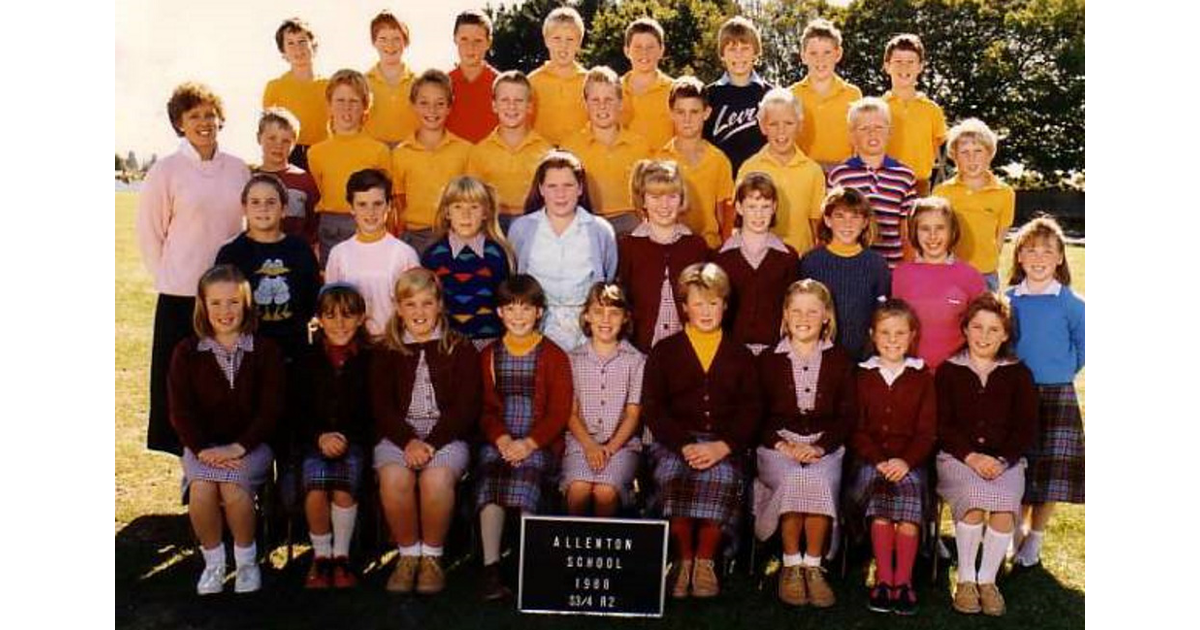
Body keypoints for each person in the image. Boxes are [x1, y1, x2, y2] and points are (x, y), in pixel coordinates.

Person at [138, 81, 251, 455]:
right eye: (194, 116)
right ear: (179, 123)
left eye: (210, 115)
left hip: (228, 301)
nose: (204, 122)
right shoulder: (165, 171)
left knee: (224, 387)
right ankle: (191, 473)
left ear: (221, 120)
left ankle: (226, 471)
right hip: (181, 297)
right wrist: (171, 279)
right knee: (180, 389)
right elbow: (150, 234)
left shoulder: (238, 169)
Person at [642, 262, 761, 599]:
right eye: (697, 303)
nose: (706, 311)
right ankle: (684, 560)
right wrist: (683, 446)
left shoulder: (741, 355)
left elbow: (751, 410)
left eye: (713, 303)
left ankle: (706, 561)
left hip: (724, 445)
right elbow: (654, 409)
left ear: (725, 305)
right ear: (684, 308)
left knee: (720, 477)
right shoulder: (664, 352)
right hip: (676, 443)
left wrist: (723, 446)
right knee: (674, 475)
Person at [168, 265, 283, 595]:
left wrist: (238, 447)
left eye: (233, 302)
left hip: (251, 446)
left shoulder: (265, 351)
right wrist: (202, 449)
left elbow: (270, 410)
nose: (225, 311)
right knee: (203, 486)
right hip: (202, 446)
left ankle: (246, 561)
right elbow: (180, 411)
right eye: (215, 303)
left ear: (247, 303)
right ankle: (214, 562)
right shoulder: (187, 352)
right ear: (202, 305)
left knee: (232, 487)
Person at [373, 269, 482, 595]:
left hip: (446, 436)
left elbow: (466, 407)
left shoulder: (460, 348)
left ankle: (432, 557)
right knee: (395, 478)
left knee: (435, 479)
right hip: (399, 436)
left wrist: (430, 444)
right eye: (410, 304)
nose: (419, 312)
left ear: (439, 306)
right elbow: (381, 407)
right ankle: (408, 555)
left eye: (426, 303)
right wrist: (409, 441)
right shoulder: (386, 351)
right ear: (398, 308)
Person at [754, 279, 856, 609]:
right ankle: (791, 564)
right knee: (794, 477)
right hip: (778, 445)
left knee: (817, 479)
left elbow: (846, 415)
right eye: (796, 310)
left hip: (823, 445)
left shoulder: (840, 359)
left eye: (813, 311)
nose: (804, 317)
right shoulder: (769, 359)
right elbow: (758, 414)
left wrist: (820, 447)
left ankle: (813, 566)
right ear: (785, 314)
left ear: (826, 316)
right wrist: (783, 445)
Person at [936, 293, 1038, 617]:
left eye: (993, 330)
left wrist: (1003, 460)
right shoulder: (949, 371)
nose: (984, 336)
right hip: (957, 458)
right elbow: (942, 423)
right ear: (965, 329)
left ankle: (987, 581)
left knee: (1005, 505)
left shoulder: (1018, 373)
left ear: (1005, 334)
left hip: (1005, 460)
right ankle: (966, 579)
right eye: (977, 327)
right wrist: (971, 457)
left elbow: (1026, 428)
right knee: (976, 498)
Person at [475, 275, 573, 600]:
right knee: (491, 478)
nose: (518, 316)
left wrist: (529, 443)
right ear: (500, 313)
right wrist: (502, 440)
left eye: (526, 309)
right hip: (501, 439)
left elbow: (559, 412)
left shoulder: (554, 356)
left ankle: (529, 565)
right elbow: (486, 409)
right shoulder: (489, 355)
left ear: (539, 312)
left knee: (527, 476)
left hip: (537, 440)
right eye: (510, 308)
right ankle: (491, 568)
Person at [1004, 216, 1085, 569]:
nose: (1038, 258)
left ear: (1059, 259)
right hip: (1015, 396)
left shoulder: (1070, 302)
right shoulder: (1008, 300)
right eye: (1031, 250)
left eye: (1047, 251)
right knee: (1020, 465)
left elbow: (1084, 348)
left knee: (1050, 472)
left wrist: (1059, 371)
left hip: (1056, 393)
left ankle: (1035, 536)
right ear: (1019, 256)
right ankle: (1016, 533)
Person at [847, 299, 936, 615]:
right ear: (873, 334)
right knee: (882, 498)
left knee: (909, 493)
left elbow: (926, 432)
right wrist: (878, 459)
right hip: (870, 461)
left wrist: (905, 461)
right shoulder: (862, 375)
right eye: (885, 332)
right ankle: (884, 578)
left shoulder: (922, 376)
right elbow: (855, 429)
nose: (892, 340)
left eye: (900, 333)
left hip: (910, 461)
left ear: (912, 335)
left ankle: (904, 580)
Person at [292, 283, 373, 590]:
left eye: (348, 315)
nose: (339, 323)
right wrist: (320, 436)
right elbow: (296, 409)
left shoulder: (369, 359)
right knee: (315, 487)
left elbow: (372, 411)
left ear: (362, 318)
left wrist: (346, 438)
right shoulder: (306, 358)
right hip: (315, 442)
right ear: (319, 319)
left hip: (354, 442)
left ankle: (342, 557)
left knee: (342, 488)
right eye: (331, 316)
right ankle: (321, 556)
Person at [508, 151, 617, 351]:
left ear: (580, 188)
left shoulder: (600, 230)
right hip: (534, 331)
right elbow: (514, 279)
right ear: (541, 189)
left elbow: (608, 277)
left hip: (585, 334)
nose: (560, 194)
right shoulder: (521, 229)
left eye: (568, 185)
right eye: (552, 186)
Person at [215, 173, 320, 362]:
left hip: (293, 351)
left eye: (271, 202)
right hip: (248, 355)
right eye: (255, 202)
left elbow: (311, 300)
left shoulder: (300, 250)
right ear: (244, 208)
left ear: (284, 209)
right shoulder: (231, 254)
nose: (263, 208)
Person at [561, 283, 645, 516]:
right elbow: (571, 413)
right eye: (598, 311)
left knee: (605, 492)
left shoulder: (637, 361)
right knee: (578, 490)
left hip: (621, 445)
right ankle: (576, 548)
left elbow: (632, 415)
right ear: (587, 315)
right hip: (581, 443)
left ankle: (604, 551)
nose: (606, 320)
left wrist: (608, 449)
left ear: (626, 317)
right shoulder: (573, 359)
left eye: (614, 312)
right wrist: (589, 446)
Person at [617, 159, 710, 352]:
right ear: (642, 199)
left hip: (688, 351)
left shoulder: (696, 246)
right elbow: (622, 301)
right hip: (640, 351)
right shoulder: (628, 246)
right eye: (655, 197)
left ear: (681, 198)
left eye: (672, 196)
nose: (664, 205)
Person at [307, 69, 392, 264]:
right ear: (329, 105)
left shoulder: (379, 151)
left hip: (369, 225)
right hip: (332, 229)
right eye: (340, 101)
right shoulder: (316, 152)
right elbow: (318, 194)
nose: (347, 107)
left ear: (365, 106)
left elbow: (388, 201)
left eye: (354, 101)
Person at [891, 196, 986, 369]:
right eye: (925, 229)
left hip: (957, 373)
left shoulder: (971, 276)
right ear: (914, 232)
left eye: (940, 228)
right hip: (911, 372)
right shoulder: (900, 275)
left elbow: (982, 330)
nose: (932, 236)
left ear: (952, 231)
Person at [324, 169, 419, 339]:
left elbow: (414, 306)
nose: (370, 212)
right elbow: (332, 305)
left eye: (377, 204)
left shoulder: (405, 253)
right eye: (362, 204)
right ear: (351, 207)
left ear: (389, 205)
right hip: (354, 344)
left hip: (394, 342)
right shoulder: (338, 254)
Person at [798, 187, 891, 360]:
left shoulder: (876, 264)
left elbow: (881, 314)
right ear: (827, 219)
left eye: (855, 217)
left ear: (865, 222)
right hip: (819, 357)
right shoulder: (811, 262)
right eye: (840, 216)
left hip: (864, 357)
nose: (847, 224)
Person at [420, 176, 513, 345]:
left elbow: (506, 302)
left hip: (489, 342)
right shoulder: (433, 255)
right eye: (457, 207)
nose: (466, 214)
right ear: (447, 212)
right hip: (448, 343)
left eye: (474, 207)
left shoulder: (496, 254)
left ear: (485, 213)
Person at [714, 172, 800, 355]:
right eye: (752, 207)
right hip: (730, 352)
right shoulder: (719, 257)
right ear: (738, 207)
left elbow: (793, 307)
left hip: (775, 352)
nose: (758, 214)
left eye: (765, 207)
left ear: (774, 207)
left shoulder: (788, 257)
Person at [827, 97, 918, 269]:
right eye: (864, 128)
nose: (872, 133)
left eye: (878, 127)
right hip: (850, 267)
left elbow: (908, 232)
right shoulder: (840, 175)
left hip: (891, 267)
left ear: (890, 132)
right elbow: (831, 225)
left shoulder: (905, 176)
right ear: (852, 135)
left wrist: (906, 269)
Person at [562, 66, 653, 236]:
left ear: (620, 103)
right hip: (587, 222)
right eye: (595, 100)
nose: (602, 106)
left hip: (631, 222)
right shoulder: (570, 148)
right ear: (585, 103)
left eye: (609, 100)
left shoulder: (639, 146)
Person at [390, 69, 471, 255]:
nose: (432, 110)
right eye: (424, 103)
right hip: (414, 238)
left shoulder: (466, 151)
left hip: (455, 235)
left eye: (439, 103)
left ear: (450, 107)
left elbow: (471, 199)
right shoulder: (400, 153)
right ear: (414, 105)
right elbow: (398, 203)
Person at [736, 88, 826, 255]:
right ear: (763, 126)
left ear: (799, 125)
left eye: (789, 123)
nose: (781, 131)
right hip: (759, 261)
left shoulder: (813, 171)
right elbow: (739, 223)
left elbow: (817, 227)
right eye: (773, 124)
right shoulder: (749, 168)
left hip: (801, 262)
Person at [933, 118, 1015, 291]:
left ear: (990, 153)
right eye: (964, 152)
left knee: (986, 318)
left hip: (986, 275)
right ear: (954, 157)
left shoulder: (1004, 193)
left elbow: (999, 239)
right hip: (950, 272)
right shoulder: (942, 192)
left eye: (978, 151)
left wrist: (987, 264)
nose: (972, 158)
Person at [466, 71, 554, 232]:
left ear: (529, 106)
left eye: (519, 100)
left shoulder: (545, 151)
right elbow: (473, 200)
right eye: (505, 100)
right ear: (494, 105)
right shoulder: (480, 151)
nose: (511, 106)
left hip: (534, 222)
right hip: (493, 225)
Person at [655, 75, 734, 247]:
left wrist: (726, 251)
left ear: (706, 113)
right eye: (680, 112)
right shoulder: (660, 160)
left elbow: (725, 216)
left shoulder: (719, 160)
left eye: (694, 112)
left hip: (710, 248)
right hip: (671, 247)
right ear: (671, 113)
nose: (687, 119)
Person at [789, 18, 862, 172]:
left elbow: (859, 141)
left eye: (827, 52)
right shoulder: (792, 95)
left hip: (843, 173)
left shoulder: (853, 94)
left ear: (838, 54)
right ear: (803, 55)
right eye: (813, 53)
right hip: (804, 172)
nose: (820, 59)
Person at [703, 16, 772, 174]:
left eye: (745, 48)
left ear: (756, 52)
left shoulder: (770, 96)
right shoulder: (708, 96)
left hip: (760, 185)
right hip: (720, 182)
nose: (739, 55)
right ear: (722, 54)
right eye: (732, 49)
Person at [882, 34, 947, 196]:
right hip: (883, 184)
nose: (904, 68)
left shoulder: (932, 110)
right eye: (898, 62)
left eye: (910, 62)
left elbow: (938, 146)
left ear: (920, 66)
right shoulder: (877, 108)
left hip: (919, 185)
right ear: (887, 66)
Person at [261, 17, 328, 169]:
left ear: (314, 46)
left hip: (322, 154)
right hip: (288, 154)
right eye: (290, 43)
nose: (298, 49)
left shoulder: (329, 86)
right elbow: (268, 130)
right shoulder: (275, 87)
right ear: (283, 52)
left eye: (302, 42)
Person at [253, 108, 321, 246]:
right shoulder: (249, 178)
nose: (278, 145)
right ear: (259, 138)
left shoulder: (304, 180)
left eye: (286, 141)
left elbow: (314, 226)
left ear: (294, 143)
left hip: (293, 258)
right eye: (272, 138)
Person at [528, 6, 589, 145]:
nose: (563, 46)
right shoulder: (532, 81)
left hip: (580, 157)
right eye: (557, 38)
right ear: (546, 41)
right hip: (543, 157)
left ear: (579, 44)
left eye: (570, 39)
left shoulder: (589, 81)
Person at [363, 10, 418, 147]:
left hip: (409, 154)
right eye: (383, 39)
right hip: (374, 154)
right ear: (374, 42)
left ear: (405, 42)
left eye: (396, 39)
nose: (390, 45)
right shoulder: (363, 83)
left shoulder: (419, 82)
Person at [620, 17, 674, 151]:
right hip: (621, 169)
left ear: (661, 50)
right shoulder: (613, 89)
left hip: (662, 170)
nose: (644, 53)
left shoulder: (674, 90)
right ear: (627, 51)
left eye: (650, 47)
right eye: (637, 47)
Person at [445, 9, 500, 143]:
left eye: (478, 40)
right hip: (453, 161)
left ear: (488, 43)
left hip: (490, 160)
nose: (470, 47)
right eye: (464, 39)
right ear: (455, 39)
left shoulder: (501, 85)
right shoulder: (443, 84)